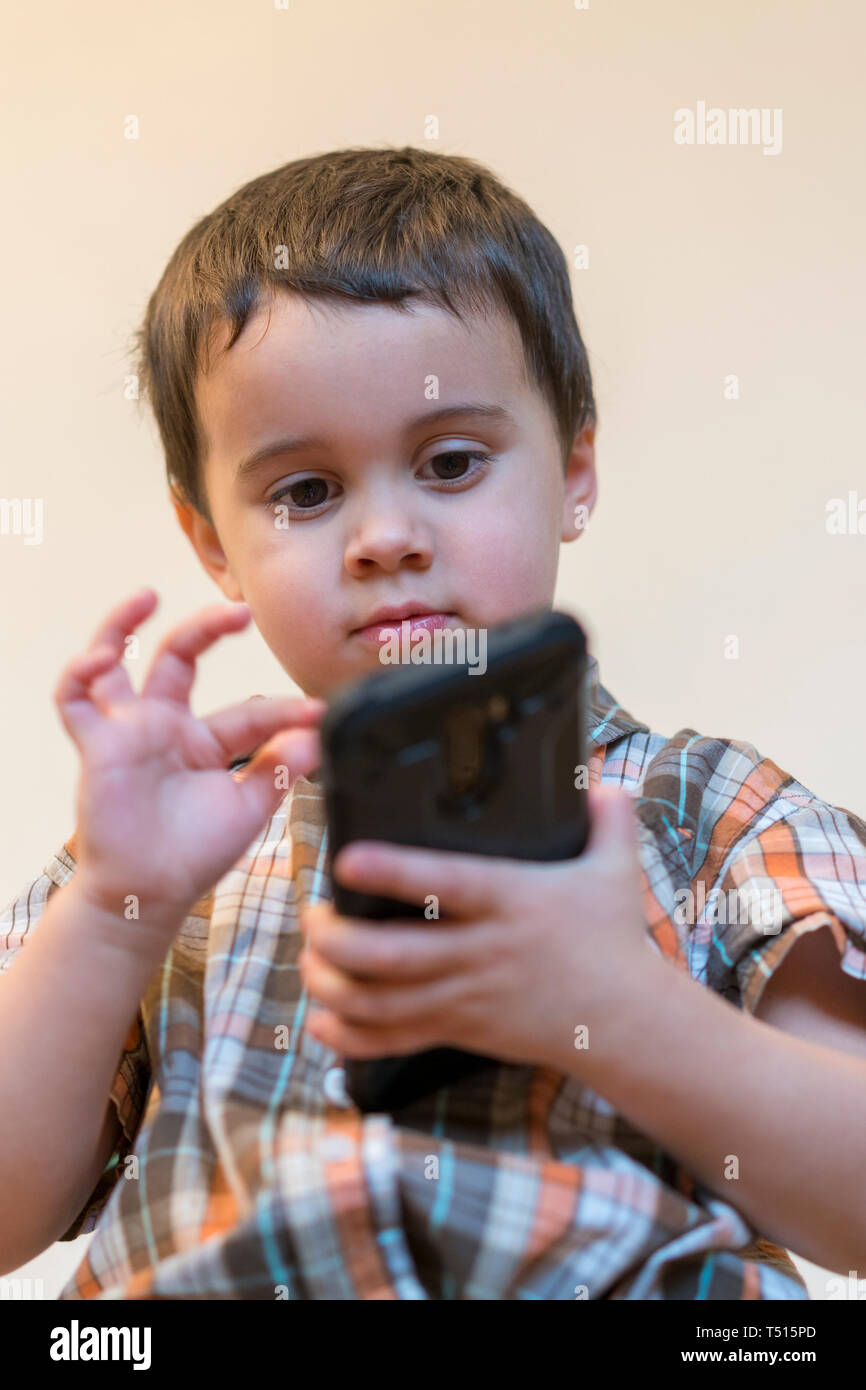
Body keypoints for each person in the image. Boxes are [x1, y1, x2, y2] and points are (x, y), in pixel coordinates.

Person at [3, 146, 866, 1300]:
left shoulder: (711, 809)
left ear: (571, 469)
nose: (384, 537)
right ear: (210, 537)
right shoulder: (161, 853)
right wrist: (116, 914)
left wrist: (619, 1012)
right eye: (304, 491)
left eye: (449, 461)